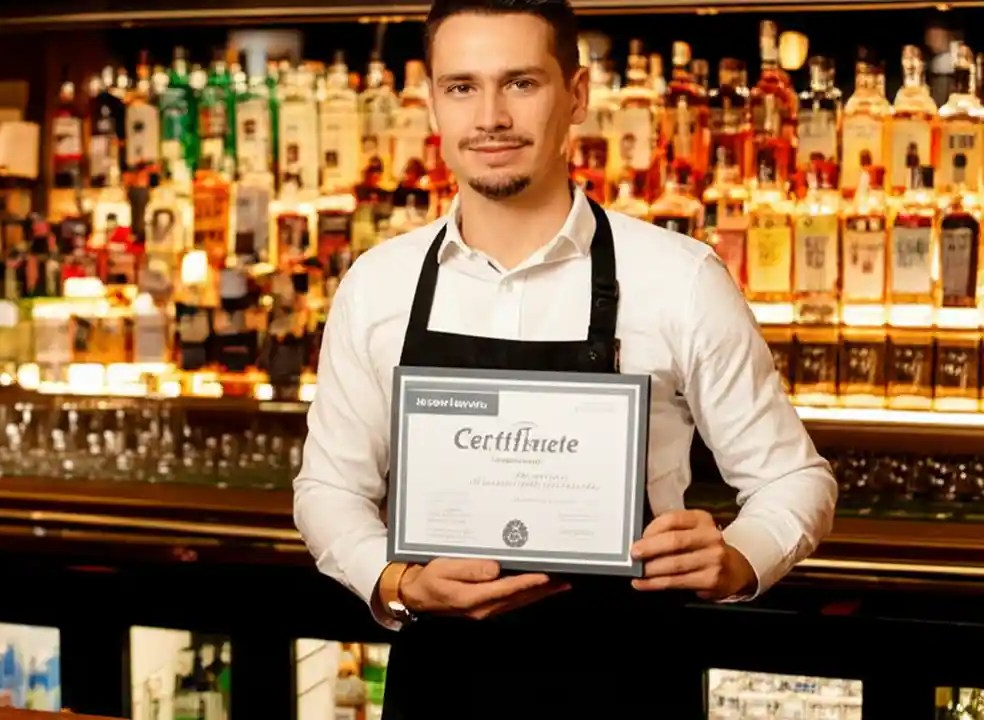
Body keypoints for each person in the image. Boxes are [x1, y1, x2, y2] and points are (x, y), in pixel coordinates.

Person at [291, 0, 837, 715]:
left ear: (576, 95)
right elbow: (327, 490)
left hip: (630, 677)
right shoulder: (379, 283)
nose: (489, 115)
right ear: (433, 103)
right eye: (462, 86)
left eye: (521, 83)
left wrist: (738, 559)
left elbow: (795, 479)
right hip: (444, 681)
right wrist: (395, 582)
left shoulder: (679, 276)